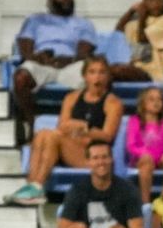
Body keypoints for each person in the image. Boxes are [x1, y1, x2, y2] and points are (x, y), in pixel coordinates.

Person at [9, 55, 123, 206]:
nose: (97, 77)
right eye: (92, 72)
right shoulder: (71, 98)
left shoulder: (113, 103)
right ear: (85, 76)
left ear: (108, 76)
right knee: (42, 133)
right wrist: (80, 127)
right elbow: (62, 126)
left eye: (102, 72)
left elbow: (107, 135)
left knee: (53, 136)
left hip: (93, 154)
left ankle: (36, 188)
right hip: (72, 147)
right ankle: (32, 186)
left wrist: (85, 129)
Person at [8, 0, 97, 146]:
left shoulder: (83, 24)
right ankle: (33, 126)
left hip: (71, 64)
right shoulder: (35, 20)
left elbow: (84, 53)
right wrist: (38, 58)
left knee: (94, 78)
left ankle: (81, 131)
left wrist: (66, 60)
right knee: (20, 77)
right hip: (42, 64)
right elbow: (25, 51)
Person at [111, 0, 163, 85]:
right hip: (135, 68)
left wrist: (142, 17)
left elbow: (143, 39)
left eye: (160, 0)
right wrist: (131, 11)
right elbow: (119, 30)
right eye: (151, 0)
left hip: (153, 73)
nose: (155, 4)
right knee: (106, 71)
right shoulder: (137, 22)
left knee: (115, 71)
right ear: (144, 2)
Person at [126, 85, 163, 204]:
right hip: (142, 159)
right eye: (151, 99)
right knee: (147, 164)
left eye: (159, 99)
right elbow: (131, 145)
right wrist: (144, 153)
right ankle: (145, 202)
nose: (156, 102)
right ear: (143, 103)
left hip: (161, 159)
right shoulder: (135, 121)